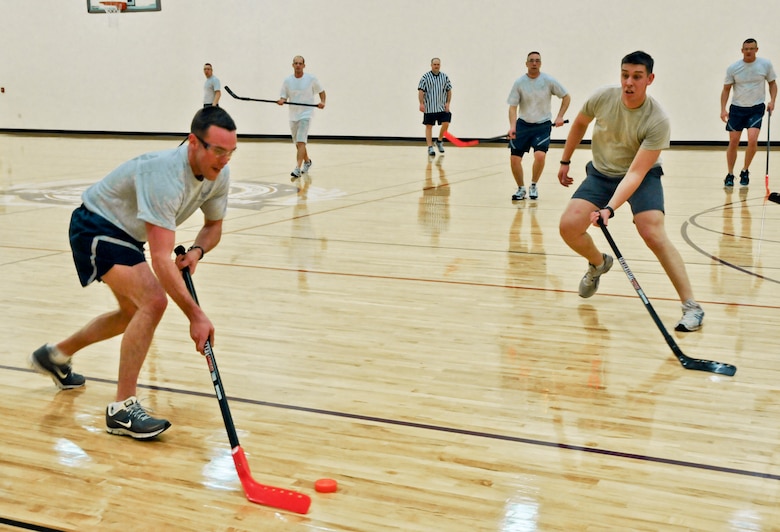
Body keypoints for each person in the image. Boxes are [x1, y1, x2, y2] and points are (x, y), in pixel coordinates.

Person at [29, 106, 238, 439]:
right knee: (153, 302)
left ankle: (54, 355)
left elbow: (213, 226)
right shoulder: (165, 175)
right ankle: (122, 409)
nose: (224, 160)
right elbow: (161, 259)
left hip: (126, 235)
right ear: (193, 143)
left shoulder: (218, 175)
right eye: (218, 150)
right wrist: (196, 316)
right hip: (95, 225)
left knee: (131, 312)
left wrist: (197, 251)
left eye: (230, 152)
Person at [557, 51, 705, 332]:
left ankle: (692, 306)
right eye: (625, 75)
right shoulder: (603, 97)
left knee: (652, 232)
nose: (629, 82)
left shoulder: (657, 120)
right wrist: (565, 160)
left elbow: (636, 173)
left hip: (642, 176)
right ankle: (598, 263)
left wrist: (609, 209)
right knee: (568, 226)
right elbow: (579, 123)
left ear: (650, 79)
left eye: (637, 77)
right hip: (601, 173)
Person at [506, 51, 571, 201]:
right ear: (526, 64)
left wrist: (560, 116)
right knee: (514, 159)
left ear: (540, 63)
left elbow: (566, 97)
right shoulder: (519, 82)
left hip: (542, 125)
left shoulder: (548, 80)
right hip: (523, 125)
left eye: (537, 60)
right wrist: (512, 127)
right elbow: (512, 107)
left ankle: (533, 185)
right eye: (531, 60)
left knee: (540, 156)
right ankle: (521, 189)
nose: (534, 63)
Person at [720, 38, 777, 187]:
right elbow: (726, 89)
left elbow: (772, 84)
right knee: (733, 142)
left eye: (751, 48)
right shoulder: (734, 68)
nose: (749, 51)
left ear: (756, 50)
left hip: (756, 108)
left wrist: (772, 101)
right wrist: (723, 109)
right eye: (746, 49)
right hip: (737, 109)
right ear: (742, 50)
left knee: (752, 139)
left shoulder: (765, 65)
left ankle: (745, 170)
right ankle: (730, 174)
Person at [277, 55, 326, 179]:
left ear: (304, 65)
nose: (298, 65)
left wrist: (322, 102)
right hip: (293, 115)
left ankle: (297, 168)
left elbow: (321, 91)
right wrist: (282, 100)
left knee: (301, 140)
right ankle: (307, 161)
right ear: (292, 65)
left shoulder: (311, 79)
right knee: (298, 143)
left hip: (306, 114)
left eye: (300, 63)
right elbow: (284, 96)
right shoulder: (287, 81)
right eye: (296, 63)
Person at [418, 58, 452, 157]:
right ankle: (430, 147)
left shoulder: (444, 77)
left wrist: (448, 103)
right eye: (435, 64)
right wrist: (421, 103)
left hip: (442, 107)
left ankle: (439, 140)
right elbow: (421, 91)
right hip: (430, 107)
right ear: (431, 65)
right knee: (429, 126)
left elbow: (449, 90)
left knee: (446, 122)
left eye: (438, 64)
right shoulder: (425, 77)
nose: (436, 66)